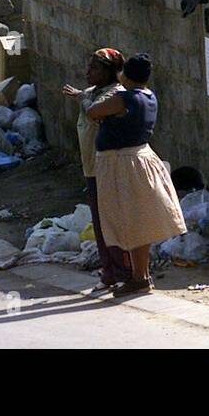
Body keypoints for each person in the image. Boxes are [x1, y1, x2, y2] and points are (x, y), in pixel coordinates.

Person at [86, 53, 187, 298]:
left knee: (129, 220)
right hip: (140, 159)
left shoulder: (124, 98)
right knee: (136, 221)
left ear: (124, 75)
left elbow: (92, 111)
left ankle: (139, 276)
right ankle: (139, 275)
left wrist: (85, 97)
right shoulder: (149, 96)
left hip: (123, 163)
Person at [62, 47, 130, 290]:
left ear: (110, 72)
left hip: (107, 167)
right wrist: (82, 96)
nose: (88, 72)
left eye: (95, 68)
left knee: (112, 222)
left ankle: (122, 270)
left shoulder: (115, 95)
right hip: (92, 167)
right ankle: (109, 271)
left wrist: (81, 97)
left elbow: (93, 111)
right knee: (100, 224)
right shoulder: (93, 92)